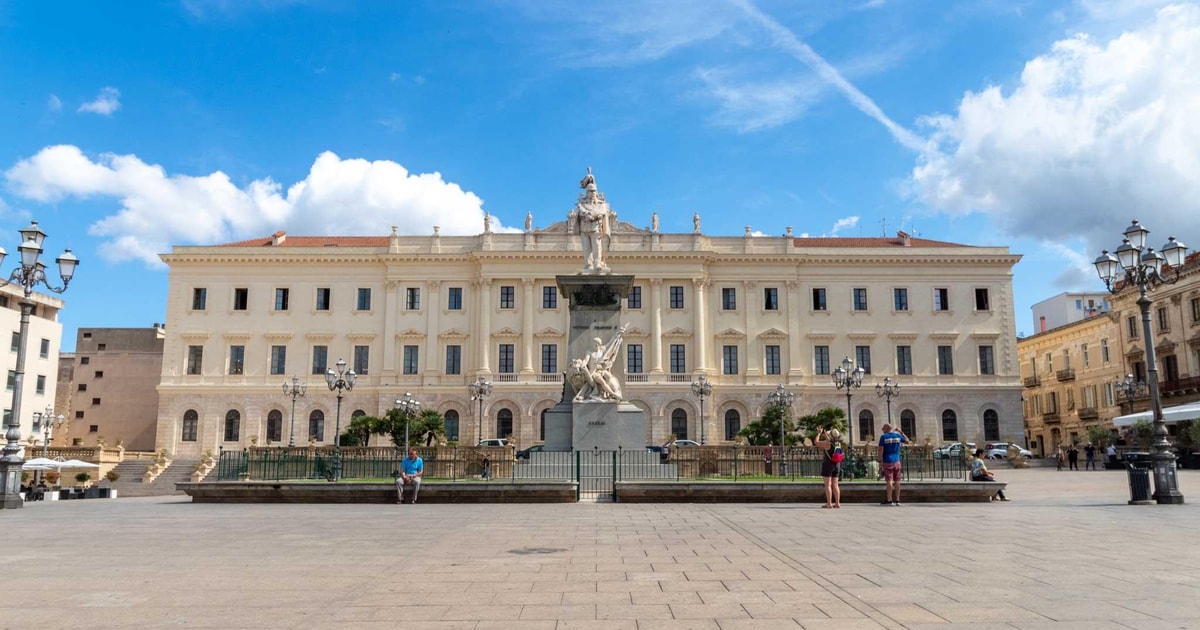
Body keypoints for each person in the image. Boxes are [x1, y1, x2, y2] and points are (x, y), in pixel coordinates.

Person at [878, 422, 909, 506]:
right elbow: (907, 441)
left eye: (883, 428)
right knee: (897, 480)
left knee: (889, 480)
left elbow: (881, 449)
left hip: (888, 460)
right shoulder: (898, 436)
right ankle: (898, 500)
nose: (882, 430)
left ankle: (889, 499)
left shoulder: (883, 437)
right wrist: (901, 432)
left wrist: (879, 460)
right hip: (897, 461)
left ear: (887, 428)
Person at [816, 428, 842, 508]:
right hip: (837, 464)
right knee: (835, 484)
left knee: (828, 485)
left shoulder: (827, 443)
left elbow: (816, 442)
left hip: (828, 464)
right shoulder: (838, 443)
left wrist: (819, 434)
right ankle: (837, 503)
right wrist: (826, 435)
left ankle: (829, 503)